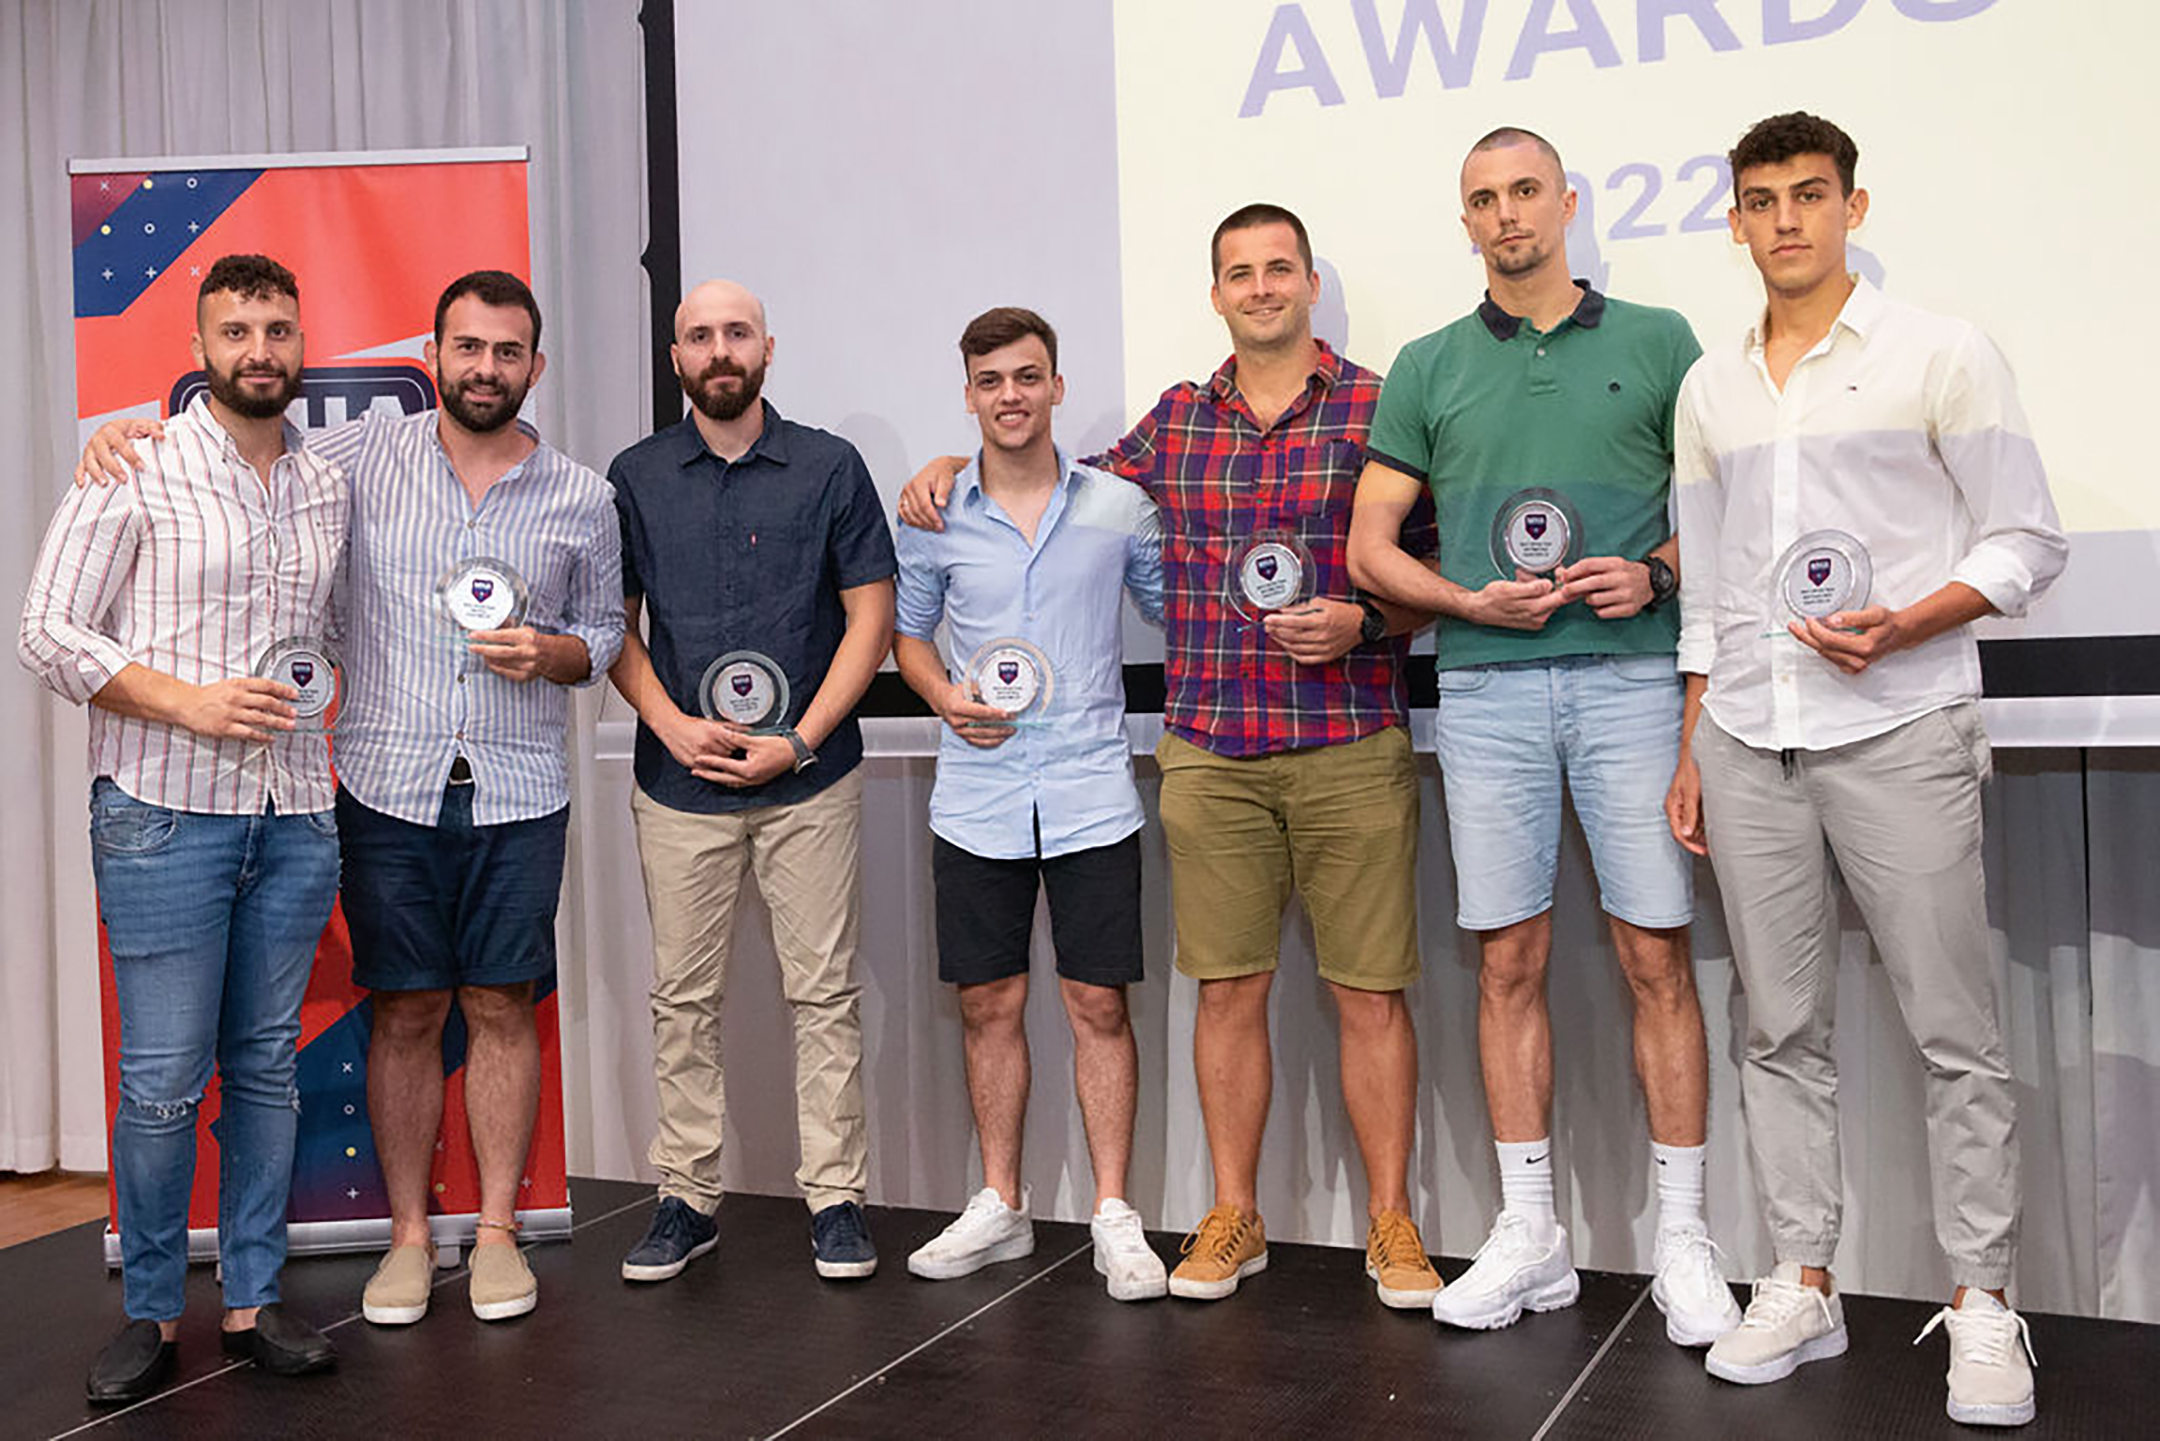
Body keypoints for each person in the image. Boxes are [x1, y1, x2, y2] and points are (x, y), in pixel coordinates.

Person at [900, 205, 1441, 1309]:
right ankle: (1232, 1216)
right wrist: (955, 458)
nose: (1259, 287)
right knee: (1226, 994)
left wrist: (1370, 623)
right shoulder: (1174, 425)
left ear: (1308, 284)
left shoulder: (1385, 406)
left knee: (1372, 995)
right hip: (1214, 751)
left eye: (1278, 268)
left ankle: (1394, 1224)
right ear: (1216, 294)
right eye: (1238, 272)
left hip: (1350, 740)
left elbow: (1429, 569)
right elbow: (1054, 481)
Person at [78, 270, 627, 1330]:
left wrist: (553, 649)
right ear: (433, 357)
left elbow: (602, 635)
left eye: (506, 352)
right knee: (410, 1009)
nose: (485, 368)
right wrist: (120, 442)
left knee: (503, 1007)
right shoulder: (357, 458)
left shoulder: (583, 497)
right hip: (383, 782)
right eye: (466, 348)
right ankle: (412, 1237)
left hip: (521, 785)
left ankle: (501, 1232)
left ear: (534, 368)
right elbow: (242, 451)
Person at [1667, 111, 2065, 1426]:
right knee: (1777, 1030)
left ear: (1854, 207)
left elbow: (2024, 541)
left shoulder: (1941, 352)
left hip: (1902, 730)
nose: (1786, 219)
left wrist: (1908, 621)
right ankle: (1804, 1278)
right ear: (1735, 221)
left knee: (1956, 1033)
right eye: (1762, 200)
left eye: (1810, 195)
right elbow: (1710, 591)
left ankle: (1985, 1304)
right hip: (1747, 740)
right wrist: (1692, 738)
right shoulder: (1712, 386)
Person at [1346, 127, 1740, 1346]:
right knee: (1505, 964)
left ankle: (1684, 1236)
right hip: (1490, 693)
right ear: (1463, 222)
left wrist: (1657, 573)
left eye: (1526, 192)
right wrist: (1464, 600)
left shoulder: (1664, 341)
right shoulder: (1425, 364)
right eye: (1484, 199)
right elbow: (1369, 548)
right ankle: (1533, 1237)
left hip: (1629, 684)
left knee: (1653, 960)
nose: (1508, 214)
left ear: (1567, 203)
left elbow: (1729, 515)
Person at [23, 254, 344, 1401]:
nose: (260, 348)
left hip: (298, 812)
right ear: (201, 346)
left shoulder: (325, 479)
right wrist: (190, 701)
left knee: (265, 1069)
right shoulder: (136, 462)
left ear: (303, 340)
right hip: (162, 809)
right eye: (237, 329)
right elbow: (47, 631)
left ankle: (253, 1300)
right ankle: (153, 1314)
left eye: (278, 327)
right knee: (163, 1080)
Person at [607, 280, 894, 1284]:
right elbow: (615, 626)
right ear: (675, 355)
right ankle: (686, 1196)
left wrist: (802, 740)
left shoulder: (829, 468)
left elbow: (871, 620)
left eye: (736, 332)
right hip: (677, 783)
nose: (719, 350)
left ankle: (837, 1199)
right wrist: (673, 725)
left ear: (767, 345)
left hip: (809, 780)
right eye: (699, 336)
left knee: (824, 996)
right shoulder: (635, 476)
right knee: (680, 998)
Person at [893, 307, 1167, 1300]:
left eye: (1028, 376)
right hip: (977, 798)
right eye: (991, 380)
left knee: (1099, 1002)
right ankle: (1001, 1204)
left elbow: (1176, 609)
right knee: (988, 1003)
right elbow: (910, 638)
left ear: (1056, 386)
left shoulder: (1120, 508)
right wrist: (936, 692)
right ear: (969, 394)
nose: (1010, 395)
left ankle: (1112, 1211)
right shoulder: (932, 514)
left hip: (1095, 791)